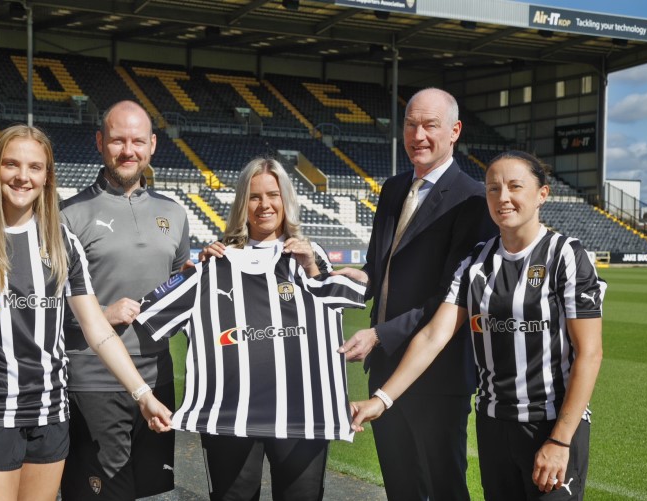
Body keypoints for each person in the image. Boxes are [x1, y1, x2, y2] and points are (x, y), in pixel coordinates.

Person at [0, 125, 172, 501]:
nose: (23, 176)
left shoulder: (61, 241)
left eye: (34, 167)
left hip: (51, 414)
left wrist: (143, 395)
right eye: (11, 165)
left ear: (47, 176)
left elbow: (97, 329)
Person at [350, 150, 605, 499]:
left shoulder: (568, 257)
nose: (503, 198)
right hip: (493, 424)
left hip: (551, 423)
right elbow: (433, 335)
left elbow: (589, 354)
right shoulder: (476, 261)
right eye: (493, 189)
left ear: (541, 194)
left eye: (515, 186)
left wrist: (560, 439)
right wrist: (381, 400)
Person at [335, 87, 496, 500]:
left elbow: (450, 297)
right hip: (385, 367)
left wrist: (379, 334)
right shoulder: (392, 189)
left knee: (444, 488)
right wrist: (337, 278)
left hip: (437, 376)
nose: (418, 135)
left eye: (430, 125)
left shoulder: (472, 200)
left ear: (455, 131)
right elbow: (377, 267)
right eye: (410, 125)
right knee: (401, 487)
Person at [187, 157, 362, 500]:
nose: (264, 204)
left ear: (286, 200)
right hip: (232, 412)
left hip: (301, 412)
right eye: (254, 196)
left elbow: (345, 301)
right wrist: (202, 272)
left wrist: (312, 266)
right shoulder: (218, 259)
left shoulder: (310, 254)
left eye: (273, 195)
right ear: (242, 203)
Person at [59, 100, 190, 500]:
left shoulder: (175, 213)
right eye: (117, 140)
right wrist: (101, 313)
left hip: (158, 381)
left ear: (152, 145)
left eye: (137, 141)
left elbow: (180, 285)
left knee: (151, 493)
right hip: (93, 385)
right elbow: (39, 304)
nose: (127, 150)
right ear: (100, 142)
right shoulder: (67, 215)